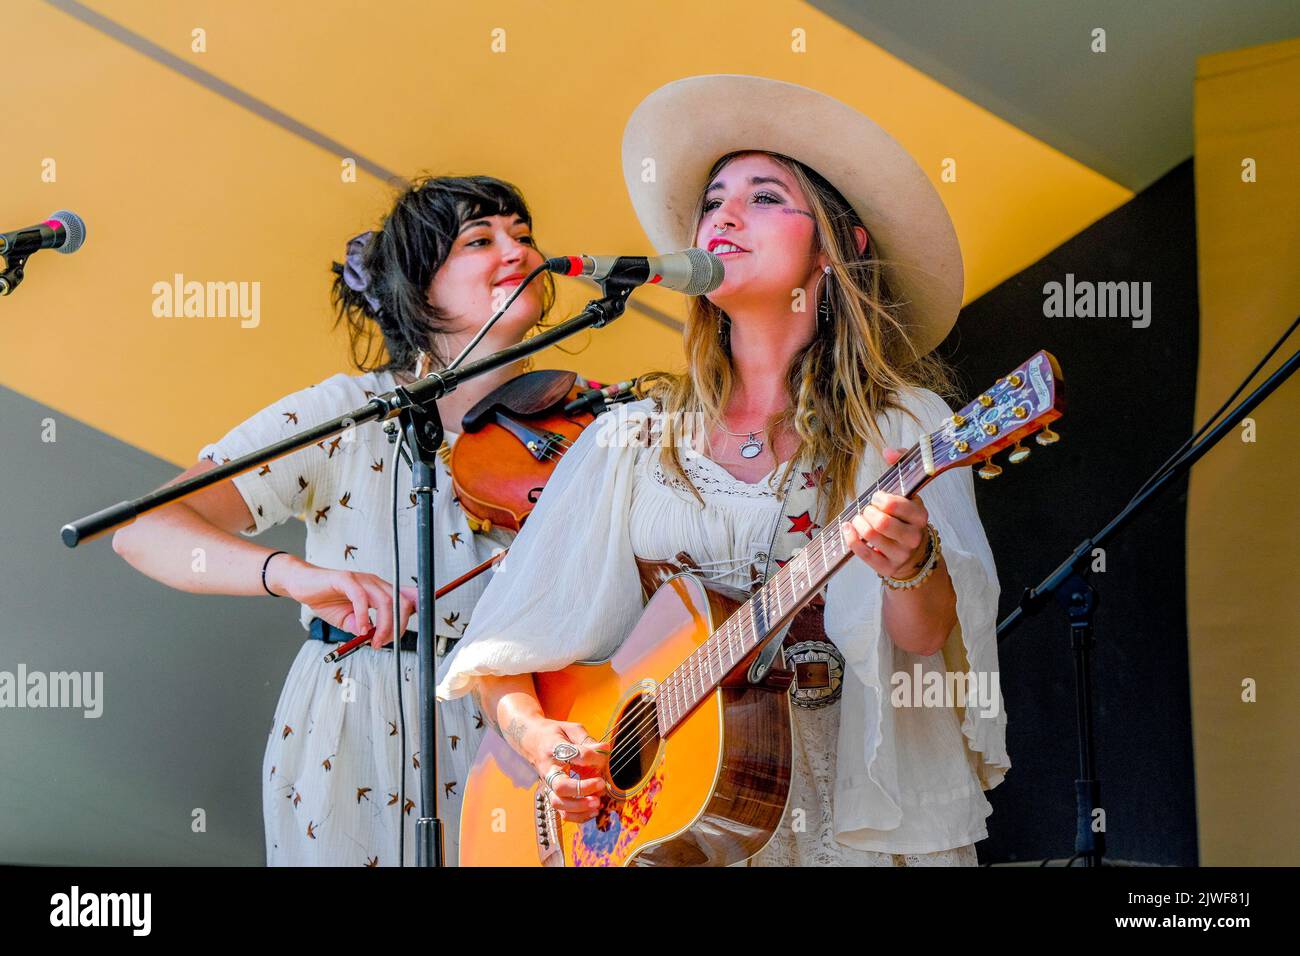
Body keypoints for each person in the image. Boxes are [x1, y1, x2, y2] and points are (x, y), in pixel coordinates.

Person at [435, 76, 1010, 866]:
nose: (725, 216)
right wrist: (542, 743)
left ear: (841, 247)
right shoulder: (631, 441)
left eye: (765, 196)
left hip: (848, 828)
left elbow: (926, 637)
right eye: (712, 201)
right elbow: (507, 648)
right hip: (669, 833)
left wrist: (910, 564)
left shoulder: (905, 426)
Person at [112, 174, 562, 866]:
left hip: (519, 728)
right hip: (356, 729)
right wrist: (289, 574)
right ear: (417, 286)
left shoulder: (581, 430)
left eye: (524, 236)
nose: (516, 251)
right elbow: (144, 530)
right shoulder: (347, 412)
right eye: (481, 239)